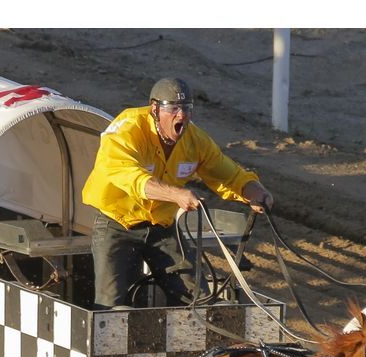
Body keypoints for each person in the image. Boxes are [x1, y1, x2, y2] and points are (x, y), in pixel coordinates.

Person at [82, 77, 274, 309]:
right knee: (110, 305)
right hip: (117, 224)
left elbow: (227, 173)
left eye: (186, 108)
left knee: (195, 296)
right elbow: (129, 176)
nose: (181, 115)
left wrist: (254, 191)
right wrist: (177, 195)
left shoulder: (195, 140)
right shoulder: (127, 129)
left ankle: (192, 339)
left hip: (162, 226)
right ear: (155, 109)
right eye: (173, 109)